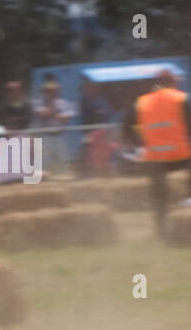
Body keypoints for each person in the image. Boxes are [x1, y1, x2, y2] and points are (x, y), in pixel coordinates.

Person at [123, 68, 191, 239]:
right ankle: (188, 201)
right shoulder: (181, 98)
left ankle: (161, 231)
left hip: (155, 157)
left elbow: (125, 127)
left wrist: (139, 146)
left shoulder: (142, 102)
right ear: (174, 82)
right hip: (182, 154)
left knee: (158, 197)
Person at [33, 75, 75, 177]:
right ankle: (43, 182)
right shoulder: (39, 103)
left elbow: (66, 118)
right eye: (48, 90)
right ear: (44, 91)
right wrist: (55, 113)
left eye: (53, 90)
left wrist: (50, 113)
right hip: (45, 136)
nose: (50, 92)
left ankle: (63, 178)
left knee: (62, 160)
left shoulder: (64, 103)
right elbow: (41, 114)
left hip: (59, 135)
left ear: (57, 91)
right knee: (43, 161)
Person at [78, 81, 114, 180]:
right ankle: (89, 173)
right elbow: (86, 116)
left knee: (105, 153)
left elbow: (105, 113)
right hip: (89, 131)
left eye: (89, 88)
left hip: (101, 131)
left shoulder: (101, 100)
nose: (88, 90)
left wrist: (97, 113)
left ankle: (107, 174)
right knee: (87, 151)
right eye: (86, 88)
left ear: (94, 88)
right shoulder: (83, 101)